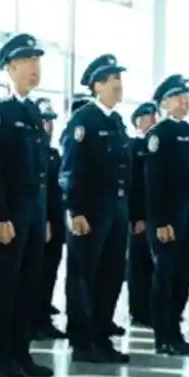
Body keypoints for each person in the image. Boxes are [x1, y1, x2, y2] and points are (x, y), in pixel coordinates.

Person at [0, 33, 55, 377]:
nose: (35, 68)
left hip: (33, 211)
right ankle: (1, 355)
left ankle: (22, 351)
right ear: (10, 67)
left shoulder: (34, 114)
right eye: (28, 62)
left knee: (28, 284)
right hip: (8, 212)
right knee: (3, 285)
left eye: (38, 62)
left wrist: (45, 214)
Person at [61, 55, 135, 361]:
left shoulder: (115, 121)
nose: (119, 86)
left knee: (111, 274)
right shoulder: (84, 121)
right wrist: (75, 210)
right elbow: (70, 170)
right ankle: (82, 341)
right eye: (113, 80)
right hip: (90, 211)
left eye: (119, 79)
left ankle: (102, 335)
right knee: (84, 276)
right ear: (97, 85)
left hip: (116, 209)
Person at [144, 74, 189, 355]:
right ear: (165, 102)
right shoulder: (160, 135)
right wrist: (159, 220)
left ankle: (176, 331)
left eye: (186, 96)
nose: (185, 101)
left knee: (183, 275)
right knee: (165, 276)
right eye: (179, 96)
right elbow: (153, 181)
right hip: (169, 217)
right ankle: (163, 335)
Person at [34, 97, 66, 341]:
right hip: (38, 221)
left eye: (51, 121)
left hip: (55, 221)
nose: (49, 126)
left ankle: (43, 316)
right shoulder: (33, 153)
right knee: (36, 273)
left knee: (49, 273)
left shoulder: (53, 153)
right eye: (44, 120)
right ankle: (33, 321)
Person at [127, 102, 157, 329]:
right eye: (147, 117)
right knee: (139, 266)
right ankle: (139, 310)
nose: (153, 120)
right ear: (138, 121)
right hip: (139, 216)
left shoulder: (154, 145)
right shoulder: (133, 145)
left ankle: (149, 307)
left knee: (151, 265)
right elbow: (133, 184)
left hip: (154, 214)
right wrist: (136, 216)